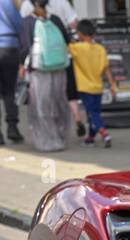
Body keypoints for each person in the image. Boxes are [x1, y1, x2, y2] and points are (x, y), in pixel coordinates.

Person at [20, 0, 80, 136]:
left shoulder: (28, 22)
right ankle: (61, 133)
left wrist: (22, 65)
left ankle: (46, 136)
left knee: (41, 103)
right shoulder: (56, 19)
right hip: (60, 65)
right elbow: (67, 39)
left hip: (38, 68)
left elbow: (25, 46)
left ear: (33, 5)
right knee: (59, 100)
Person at [68, 18, 113, 147]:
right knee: (95, 112)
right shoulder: (100, 49)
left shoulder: (77, 48)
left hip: (85, 88)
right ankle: (90, 138)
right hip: (98, 87)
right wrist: (112, 84)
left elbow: (66, 47)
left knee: (92, 114)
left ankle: (104, 134)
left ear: (80, 34)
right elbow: (106, 69)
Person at [0, 0, 23, 144]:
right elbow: (18, 23)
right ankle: (12, 127)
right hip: (9, 47)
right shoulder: (6, 2)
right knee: (10, 90)